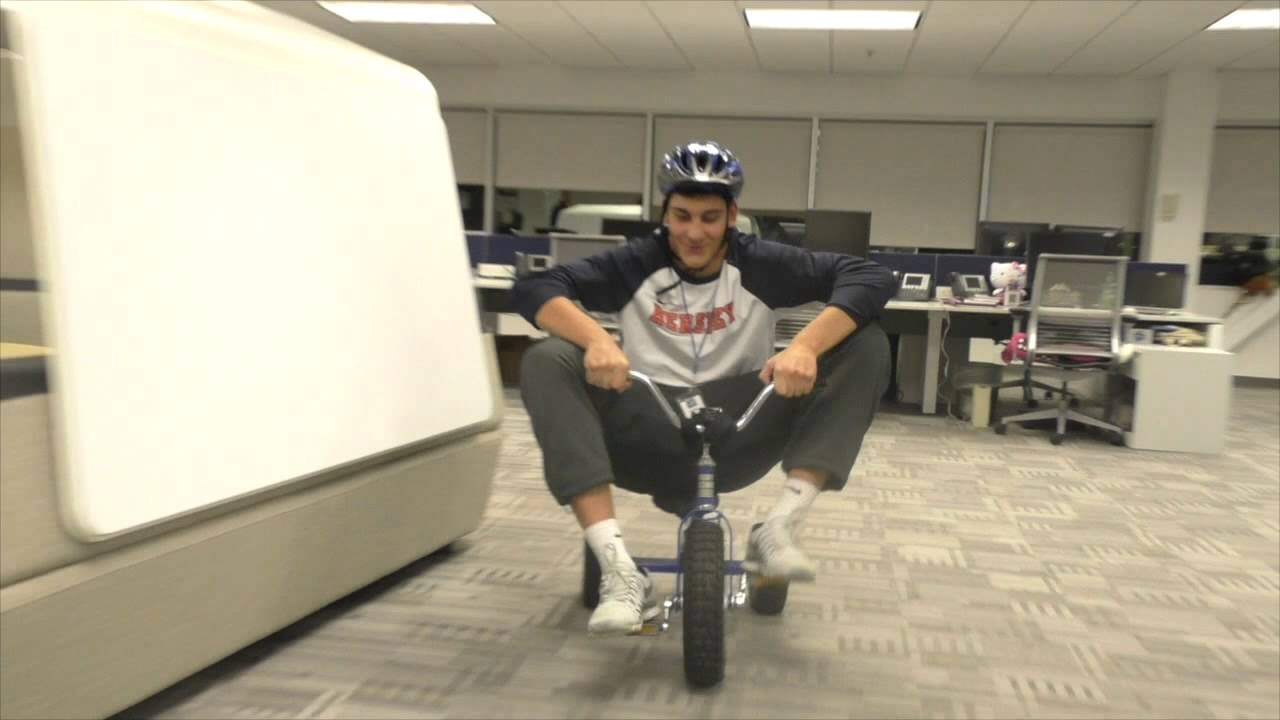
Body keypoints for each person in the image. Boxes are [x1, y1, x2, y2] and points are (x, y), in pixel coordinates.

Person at [512, 140, 896, 636]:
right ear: (665, 213)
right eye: (682, 215)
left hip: (741, 424)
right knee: (548, 357)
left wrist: (804, 346)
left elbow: (870, 276)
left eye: (710, 217)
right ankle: (619, 570)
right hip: (648, 425)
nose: (694, 232)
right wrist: (593, 340)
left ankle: (779, 528)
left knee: (866, 343)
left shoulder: (762, 264)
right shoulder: (634, 263)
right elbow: (533, 288)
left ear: (733, 215)